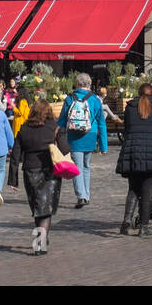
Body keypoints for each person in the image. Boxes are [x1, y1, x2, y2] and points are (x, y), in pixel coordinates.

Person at [116, 82, 152, 236]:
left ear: (139, 93)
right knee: (147, 191)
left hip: (133, 152)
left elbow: (127, 129)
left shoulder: (130, 107)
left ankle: (126, 221)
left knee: (133, 188)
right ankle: (144, 226)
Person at [18, 99, 71, 254]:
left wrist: (12, 177)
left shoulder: (24, 128)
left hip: (30, 169)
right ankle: (40, 242)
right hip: (49, 170)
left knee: (37, 206)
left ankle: (41, 239)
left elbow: (16, 153)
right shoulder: (53, 128)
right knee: (45, 208)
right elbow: (66, 149)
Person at [58, 73, 106, 208]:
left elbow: (62, 119)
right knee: (86, 166)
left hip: (74, 136)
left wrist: (56, 135)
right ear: (89, 84)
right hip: (90, 134)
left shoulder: (70, 98)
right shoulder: (95, 100)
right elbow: (101, 123)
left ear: (77, 84)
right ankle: (86, 195)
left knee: (77, 167)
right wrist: (104, 145)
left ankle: (82, 196)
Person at [6, 87, 31, 192]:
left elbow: (20, 113)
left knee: (15, 158)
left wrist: (13, 107)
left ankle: (13, 181)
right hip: (23, 129)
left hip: (19, 130)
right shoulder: (26, 102)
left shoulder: (22, 101)